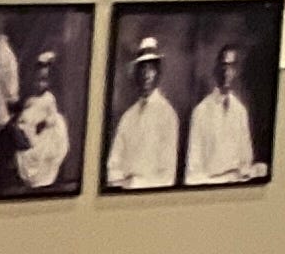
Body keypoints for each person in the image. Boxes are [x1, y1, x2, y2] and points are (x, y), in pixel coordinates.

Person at [184, 40, 264, 184]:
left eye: (232, 67)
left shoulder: (240, 111)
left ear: (237, 72)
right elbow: (193, 169)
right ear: (216, 69)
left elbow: (246, 160)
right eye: (223, 66)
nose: (227, 72)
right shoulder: (201, 112)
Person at [104, 38, 177, 189]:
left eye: (151, 69)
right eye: (142, 69)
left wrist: (137, 184)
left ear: (158, 73)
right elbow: (113, 164)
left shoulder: (167, 115)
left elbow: (167, 175)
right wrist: (122, 184)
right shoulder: (128, 117)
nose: (146, 75)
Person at [8, 48, 73, 191]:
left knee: (39, 153)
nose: (40, 85)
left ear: (49, 82)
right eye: (37, 80)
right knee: (23, 145)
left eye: (44, 81)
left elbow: (53, 118)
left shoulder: (49, 99)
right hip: (31, 131)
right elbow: (26, 113)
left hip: (43, 133)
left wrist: (43, 124)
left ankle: (40, 176)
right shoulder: (31, 99)